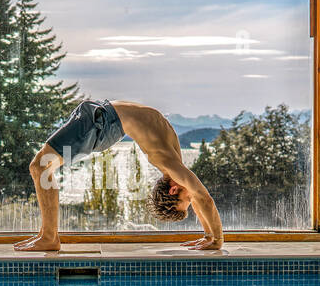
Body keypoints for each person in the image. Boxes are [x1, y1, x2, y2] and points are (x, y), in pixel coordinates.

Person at [14, 99, 223, 251]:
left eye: (186, 199)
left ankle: (49, 237)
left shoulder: (169, 162)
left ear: (174, 189)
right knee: (42, 167)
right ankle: (46, 235)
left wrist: (213, 237)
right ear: (174, 188)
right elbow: (201, 198)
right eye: (187, 199)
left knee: (40, 167)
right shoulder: (172, 164)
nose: (191, 197)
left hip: (100, 125)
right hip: (102, 123)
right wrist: (212, 237)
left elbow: (200, 198)